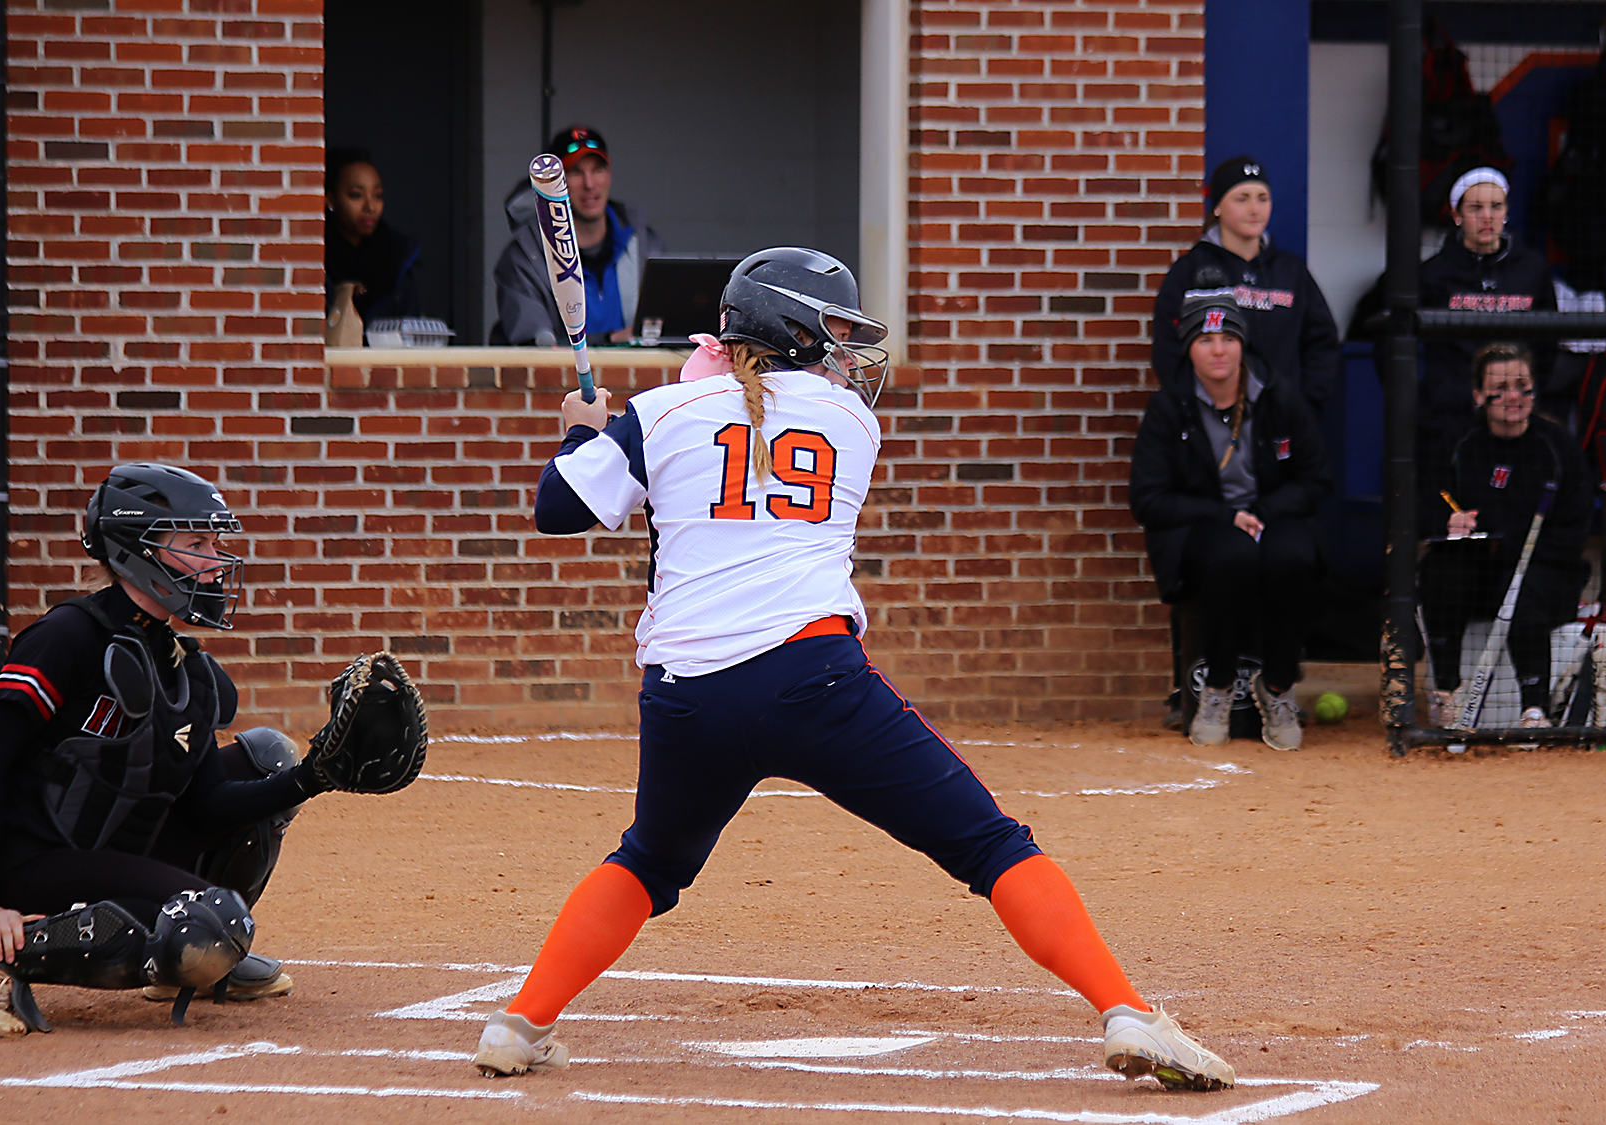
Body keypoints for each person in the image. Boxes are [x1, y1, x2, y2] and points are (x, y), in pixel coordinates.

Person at [472, 248, 1234, 1093]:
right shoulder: (852, 422)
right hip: (813, 682)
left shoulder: (658, 412)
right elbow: (750, 431)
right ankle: (1125, 1008)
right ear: (791, 330)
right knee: (989, 844)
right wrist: (675, 403)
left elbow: (556, 509)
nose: (846, 351)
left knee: (650, 860)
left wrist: (588, 428)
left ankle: (519, 1023)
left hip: (689, 697)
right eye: (833, 330)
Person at [0, 464, 340, 1038]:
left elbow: (209, 804)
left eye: (215, 543)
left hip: (112, 846)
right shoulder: (66, 637)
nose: (214, 560)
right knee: (211, 918)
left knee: (270, 757)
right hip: (37, 861)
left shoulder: (189, 664)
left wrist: (315, 776)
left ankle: (202, 951)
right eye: (195, 544)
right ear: (138, 550)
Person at [1128, 294, 1330, 751]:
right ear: (1189, 350)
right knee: (1230, 557)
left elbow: (1316, 478)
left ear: (1243, 345)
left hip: (1272, 514)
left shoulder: (1278, 395)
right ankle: (1216, 687)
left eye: (1228, 338)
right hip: (1204, 523)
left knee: (1293, 556)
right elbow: (1148, 498)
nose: (1218, 350)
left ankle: (1277, 687)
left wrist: (1263, 512)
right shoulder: (1169, 407)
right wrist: (1225, 515)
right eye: (1205, 339)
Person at [1419, 343, 1592, 728]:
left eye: (1522, 385)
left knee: (1521, 593)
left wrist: (1517, 551)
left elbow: (1574, 528)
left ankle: (1535, 710)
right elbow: (1430, 507)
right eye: (1500, 387)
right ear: (1479, 395)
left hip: (1544, 568)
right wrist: (1450, 523)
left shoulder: (1558, 446)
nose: (1513, 397)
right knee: (1441, 573)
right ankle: (1448, 693)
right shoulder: (1457, 443)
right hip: (1478, 569)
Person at [1152, 156, 1341, 416]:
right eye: (1242, 198)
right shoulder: (1190, 270)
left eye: (1262, 198)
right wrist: (1192, 407)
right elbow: (1167, 345)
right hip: (1208, 421)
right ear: (1218, 206)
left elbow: (1322, 343)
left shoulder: (1292, 271)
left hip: (1281, 422)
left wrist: (1305, 407)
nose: (1255, 209)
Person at [1415, 167, 1559, 459]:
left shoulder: (1532, 269)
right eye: (1475, 208)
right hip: (1447, 417)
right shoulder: (1432, 274)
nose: (1487, 216)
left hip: (1514, 416)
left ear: (1506, 212)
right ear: (1457, 216)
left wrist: (1523, 390)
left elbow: (1548, 340)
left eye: (1496, 206)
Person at [493, 126, 663, 346]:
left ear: (609, 175)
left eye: (598, 170)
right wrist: (609, 341)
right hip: (566, 380)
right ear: (553, 185)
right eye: (575, 172)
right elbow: (538, 352)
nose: (589, 184)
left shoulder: (645, 245)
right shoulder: (525, 258)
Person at [324, 147, 421, 323]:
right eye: (356, 195)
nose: (370, 206)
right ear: (330, 199)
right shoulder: (313, 258)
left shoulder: (397, 257)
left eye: (378, 195)